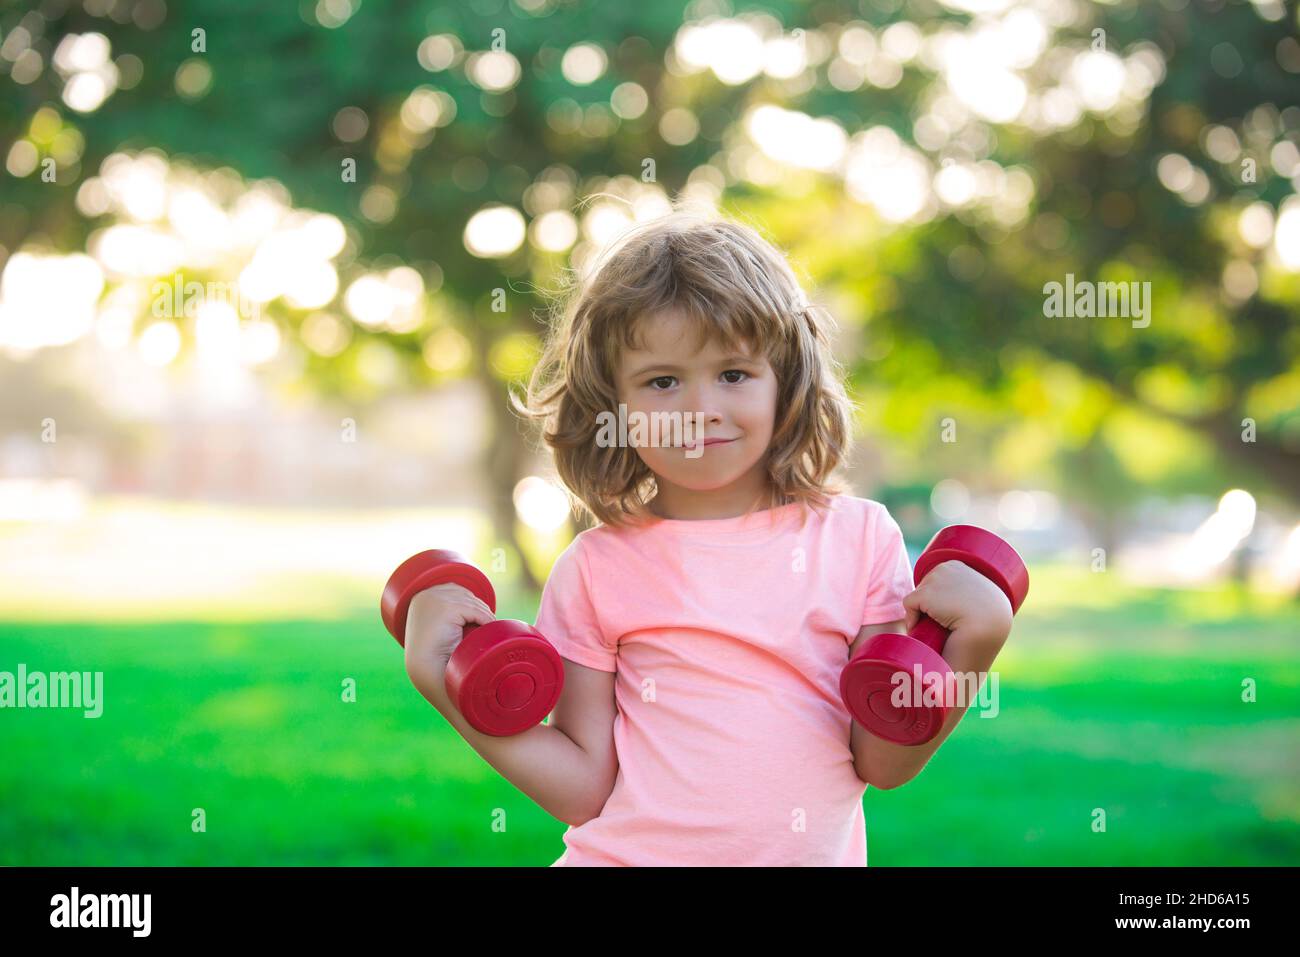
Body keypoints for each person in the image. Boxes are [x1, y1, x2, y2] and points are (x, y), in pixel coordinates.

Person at [403, 209, 1015, 866]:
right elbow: (582, 789)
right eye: (663, 381)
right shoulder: (596, 567)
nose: (701, 409)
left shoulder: (859, 541)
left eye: (733, 373)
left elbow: (883, 757)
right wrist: (444, 682)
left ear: (786, 380)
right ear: (612, 404)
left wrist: (973, 648)